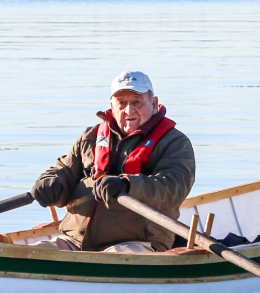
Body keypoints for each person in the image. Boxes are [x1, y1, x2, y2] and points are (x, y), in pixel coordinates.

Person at [29, 71, 196, 253]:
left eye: (137, 102)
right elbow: (64, 169)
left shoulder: (174, 142)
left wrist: (128, 185)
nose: (129, 110)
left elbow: (174, 187)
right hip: (76, 241)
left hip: (138, 243)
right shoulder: (91, 136)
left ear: (154, 104)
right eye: (121, 103)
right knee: (31, 253)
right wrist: (50, 182)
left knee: (117, 259)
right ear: (112, 106)